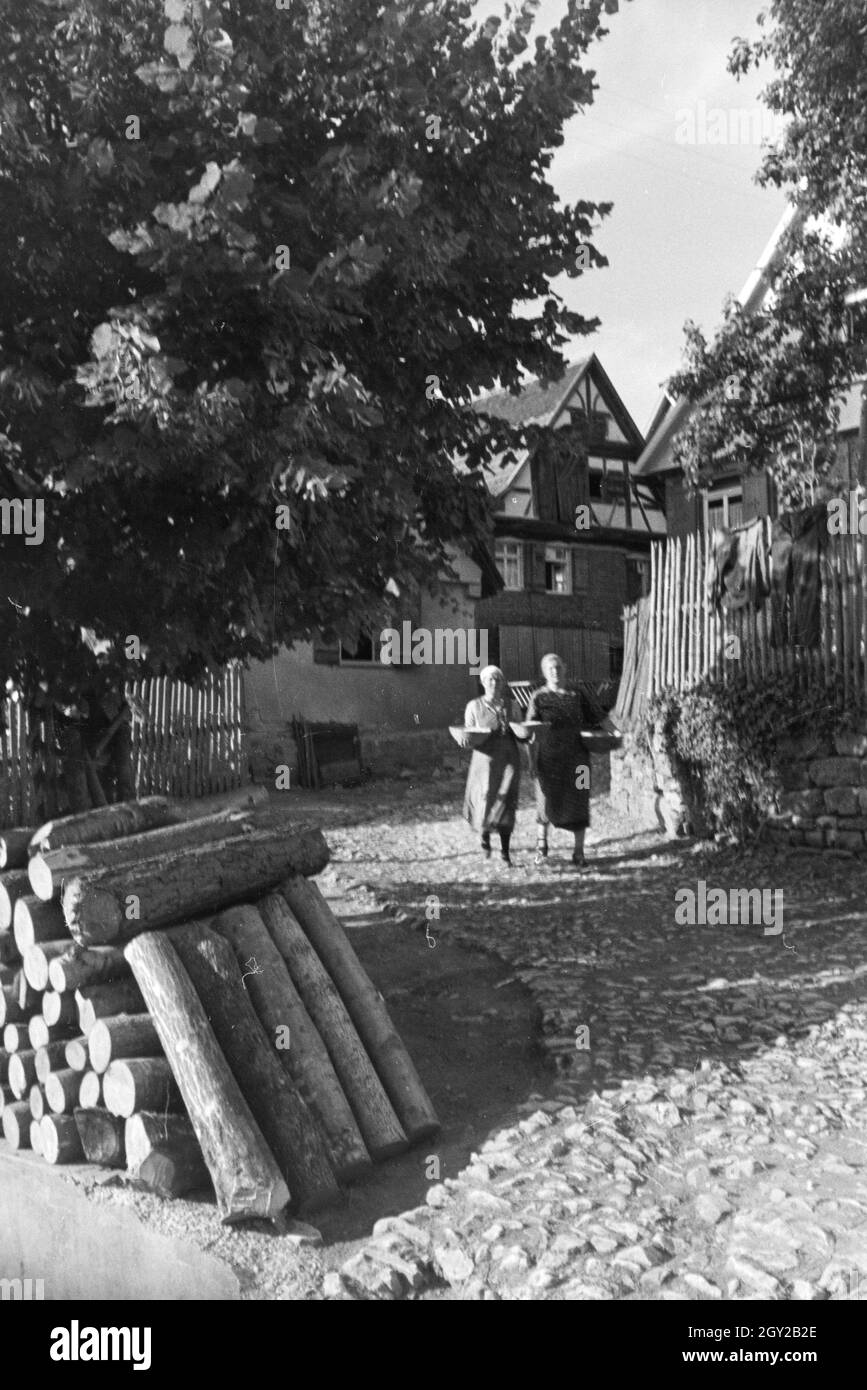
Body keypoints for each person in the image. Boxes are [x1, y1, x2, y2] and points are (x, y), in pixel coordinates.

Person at [526, 653, 594, 868]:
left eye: (558, 667)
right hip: (548, 758)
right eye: (550, 669)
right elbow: (529, 731)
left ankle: (579, 852)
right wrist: (531, 761)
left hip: (579, 759)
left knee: (580, 800)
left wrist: (615, 733)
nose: (555, 671)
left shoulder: (578, 694)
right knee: (545, 801)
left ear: (564, 668)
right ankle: (541, 847)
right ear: (544, 673)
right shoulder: (538, 697)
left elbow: (598, 717)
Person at [459, 665, 521, 865]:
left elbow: (521, 733)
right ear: (483, 683)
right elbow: (468, 735)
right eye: (490, 680)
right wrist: (464, 741)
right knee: (485, 800)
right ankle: (484, 836)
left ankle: (505, 852)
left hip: (509, 761)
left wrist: (529, 739)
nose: (494, 683)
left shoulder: (513, 705)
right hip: (484, 762)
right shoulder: (474, 706)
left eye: (498, 680)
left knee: (507, 804)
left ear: (503, 683)